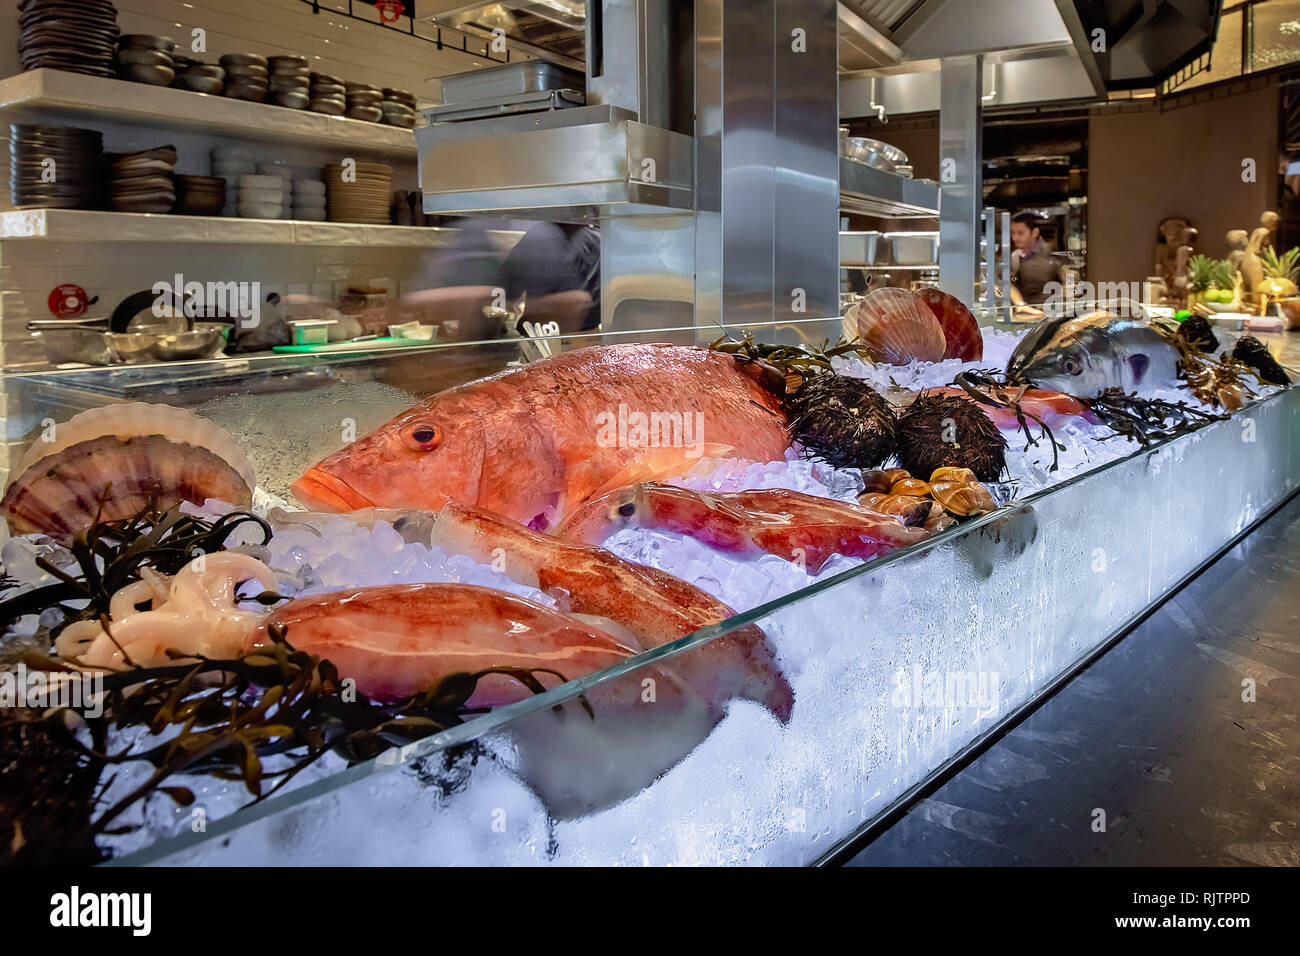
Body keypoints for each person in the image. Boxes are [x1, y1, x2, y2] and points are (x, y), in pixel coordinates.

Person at [1008, 211, 1063, 307]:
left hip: (1050, 313)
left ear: (1035, 232)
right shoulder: (1015, 256)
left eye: (1020, 233)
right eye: (1012, 233)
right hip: (1025, 314)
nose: (1015, 238)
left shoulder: (1052, 255)